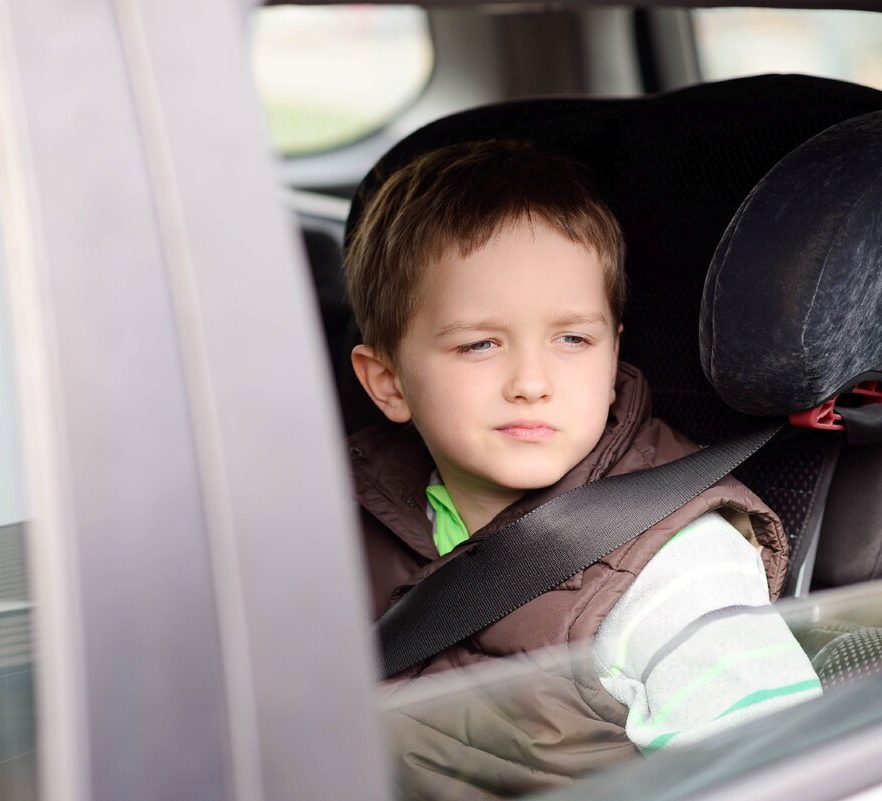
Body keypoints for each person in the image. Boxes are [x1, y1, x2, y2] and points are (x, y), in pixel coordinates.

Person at [343, 140, 821, 798]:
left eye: (572, 338)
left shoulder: (676, 568)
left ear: (612, 347)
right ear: (389, 381)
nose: (532, 382)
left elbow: (782, 779)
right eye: (480, 343)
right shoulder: (344, 519)